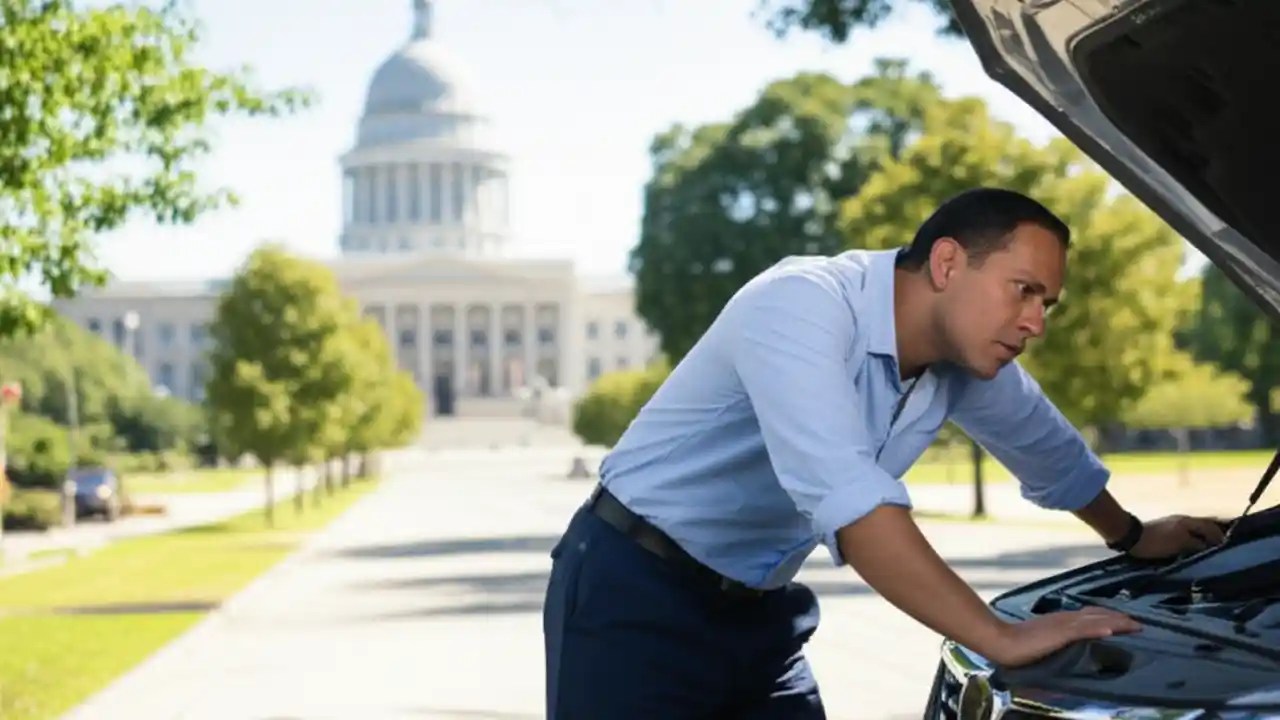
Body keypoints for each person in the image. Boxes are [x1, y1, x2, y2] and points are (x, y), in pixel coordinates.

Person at [542, 187, 1225, 719]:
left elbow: (1048, 451)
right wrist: (1000, 637)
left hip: (759, 614)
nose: (1036, 322)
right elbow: (855, 506)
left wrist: (1131, 535)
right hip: (634, 593)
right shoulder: (800, 306)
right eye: (1024, 290)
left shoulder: (963, 359)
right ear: (948, 262)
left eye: (1047, 303)